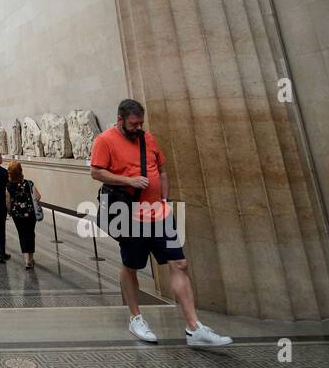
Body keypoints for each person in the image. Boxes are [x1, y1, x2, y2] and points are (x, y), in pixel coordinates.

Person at [90, 99, 232, 347]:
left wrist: (164, 199)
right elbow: (97, 172)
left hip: (159, 213)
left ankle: (193, 327)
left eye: (141, 123)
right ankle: (135, 317)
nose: (138, 127)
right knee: (131, 265)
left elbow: (162, 170)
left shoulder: (148, 139)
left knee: (180, 263)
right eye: (133, 124)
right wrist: (128, 181)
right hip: (129, 214)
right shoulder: (105, 140)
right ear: (120, 120)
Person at [5, 161, 41, 269]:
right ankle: (30, 258)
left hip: (17, 214)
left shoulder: (9, 186)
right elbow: (38, 196)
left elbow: (7, 201)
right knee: (30, 234)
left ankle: (26, 260)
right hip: (30, 213)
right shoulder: (28, 183)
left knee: (22, 235)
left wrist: (10, 211)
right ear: (21, 171)